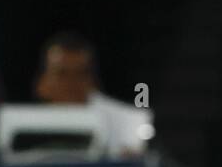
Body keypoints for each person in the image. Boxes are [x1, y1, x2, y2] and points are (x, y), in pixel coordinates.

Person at [33, 31, 153, 159]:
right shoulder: (21, 122)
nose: (72, 84)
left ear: (93, 82)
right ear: (42, 84)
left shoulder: (129, 123)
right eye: (62, 74)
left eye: (81, 74)